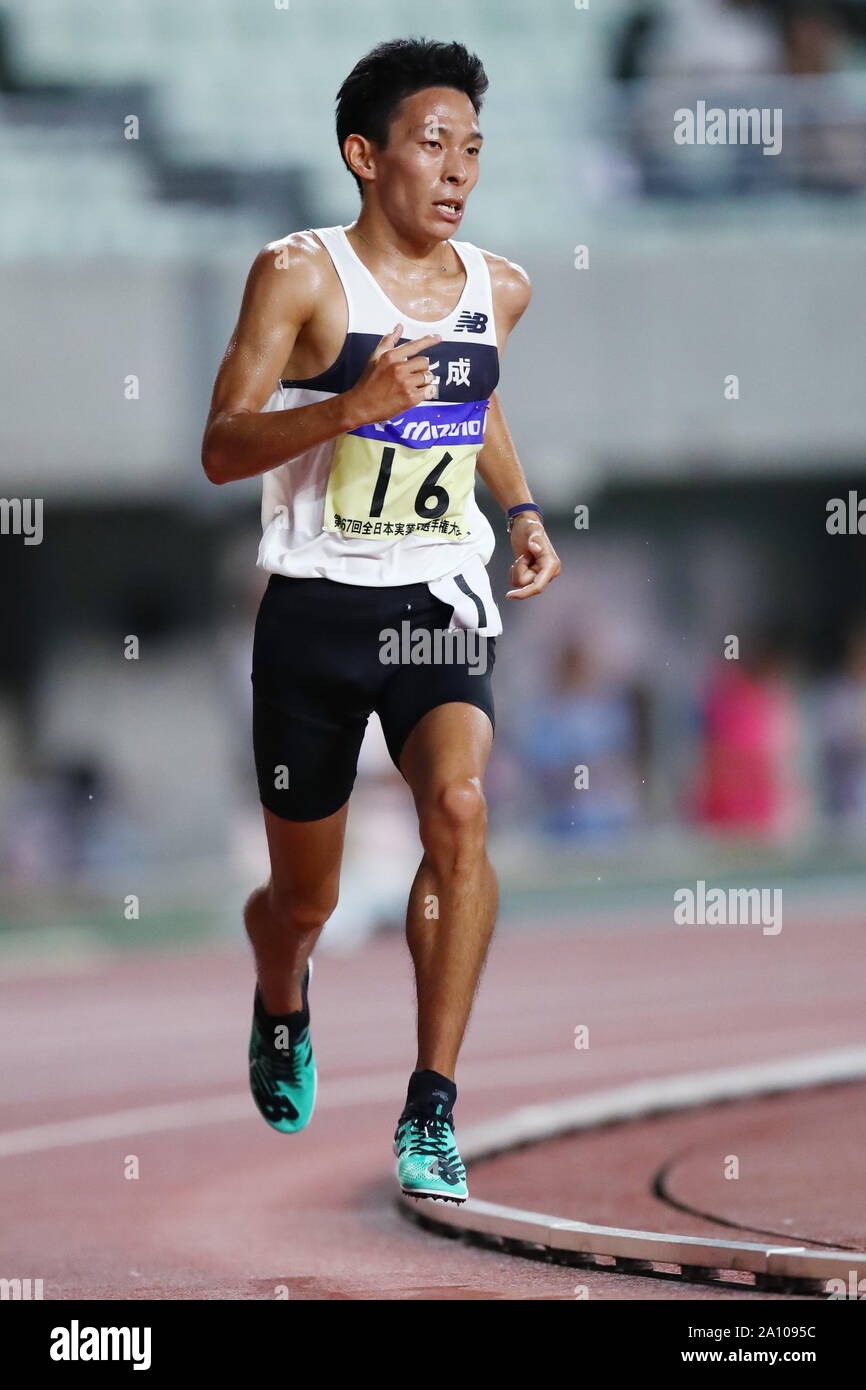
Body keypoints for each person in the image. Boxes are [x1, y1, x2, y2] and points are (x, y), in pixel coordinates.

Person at [201, 37, 560, 1203]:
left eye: (470, 148)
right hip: (314, 610)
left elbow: (477, 392)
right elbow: (219, 446)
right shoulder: (298, 275)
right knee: (302, 897)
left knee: (457, 806)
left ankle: (431, 1108)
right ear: (364, 155)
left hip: (435, 595)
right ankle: (280, 987)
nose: (455, 168)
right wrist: (346, 409)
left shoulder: (496, 284)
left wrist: (517, 507)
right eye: (428, 143)